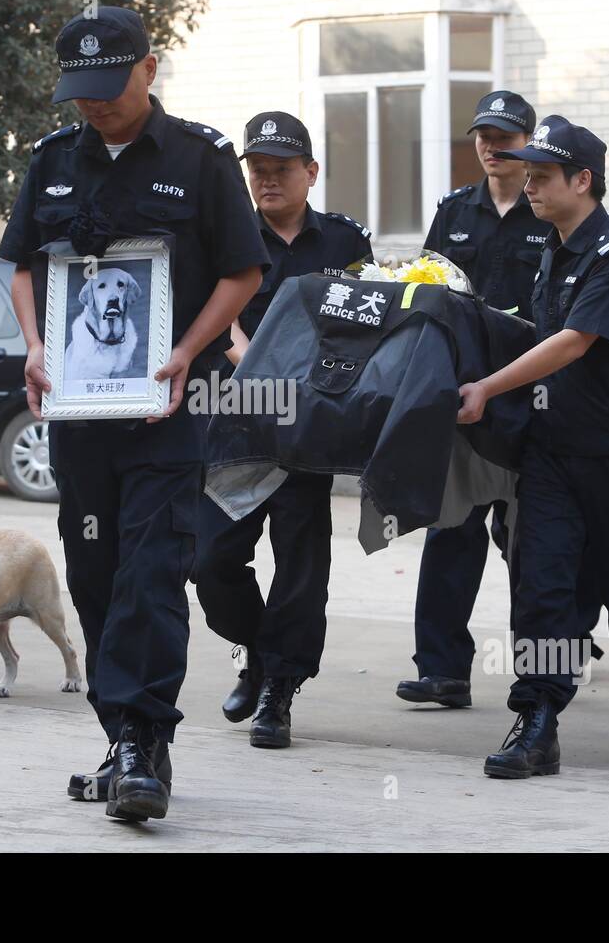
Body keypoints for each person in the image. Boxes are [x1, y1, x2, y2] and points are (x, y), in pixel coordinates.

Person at [0, 6, 267, 822]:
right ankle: (120, 738)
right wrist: (35, 345)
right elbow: (20, 268)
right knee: (95, 579)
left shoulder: (202, 158)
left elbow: (242, 273)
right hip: (80, 421)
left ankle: (145, 745)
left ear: (149, 70)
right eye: (80, 92)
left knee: (152, 575)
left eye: (109, 88)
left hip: (165, 416)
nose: (94, 105)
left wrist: (187, 349)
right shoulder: (49, 162)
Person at [456, 114, 609, 777]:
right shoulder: (553, 248)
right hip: (553, 450)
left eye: (544, 174)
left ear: (583, 180)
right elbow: (539, 331)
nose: (529, 183)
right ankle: (537, 719)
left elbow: (572, 341)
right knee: (542, 588)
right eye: (527, 172)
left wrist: (489, 386)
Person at [395, 90, 600, 709]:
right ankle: (442, 669)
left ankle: (549, 658)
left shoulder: (552, 209)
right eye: (482, 136)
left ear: (530, 142)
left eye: (504, 137)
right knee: (451, 526)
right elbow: (425, 287)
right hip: (464, 393)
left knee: (536, 537)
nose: (489, 147)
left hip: (535, 391)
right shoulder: (456, 210)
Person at [193, 110, 372, 749]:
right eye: (258, 170)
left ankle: (279, 691)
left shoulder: (345, 241)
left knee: (302, 563)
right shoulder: (226, 232)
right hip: (236, 424)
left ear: (311, 172)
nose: (267, 180)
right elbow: (218, 318)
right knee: (211, 559)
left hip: (312, 427)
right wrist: (256, 365)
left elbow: (363, 326)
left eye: (281, 169)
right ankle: (260, 649)